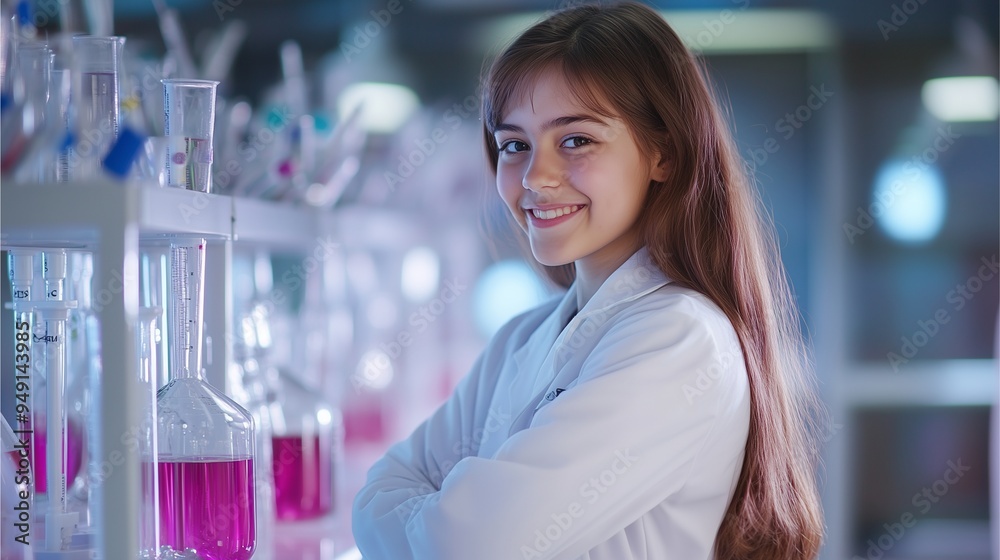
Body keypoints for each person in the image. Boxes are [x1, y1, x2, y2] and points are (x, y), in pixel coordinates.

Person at [352, 3, 824, 559]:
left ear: (664, 153)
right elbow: (373, 493)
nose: (535, 176)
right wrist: (439, 518)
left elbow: (468, 544)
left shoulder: (680, 338)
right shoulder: (520, 340)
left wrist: (442, 512)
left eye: (575, 140)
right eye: (514, 145)